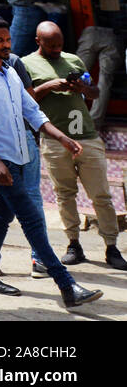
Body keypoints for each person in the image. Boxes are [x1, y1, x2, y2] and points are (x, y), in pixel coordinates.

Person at [0, 15, 103, 307]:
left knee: (1, 216)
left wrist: (63, 138)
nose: (5, 45)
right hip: (0, 160)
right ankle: (66, 284)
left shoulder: (11, 71)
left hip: (21, 156)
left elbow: (33, 113)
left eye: (7, 40)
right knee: (31, 218)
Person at [23, 21, 127, 271]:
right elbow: (26, 99)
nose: (57, 49)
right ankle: (73, 244)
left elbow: (94, 94)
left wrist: (82, 88)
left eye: (60, 45)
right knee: (65, 194)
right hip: (55, 139)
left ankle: (112, 247)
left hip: (87, 136)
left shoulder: (73, 60)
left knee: (101, 195)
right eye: (51, 46)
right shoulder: (26, 64)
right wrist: (49, 85)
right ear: (39, 41)